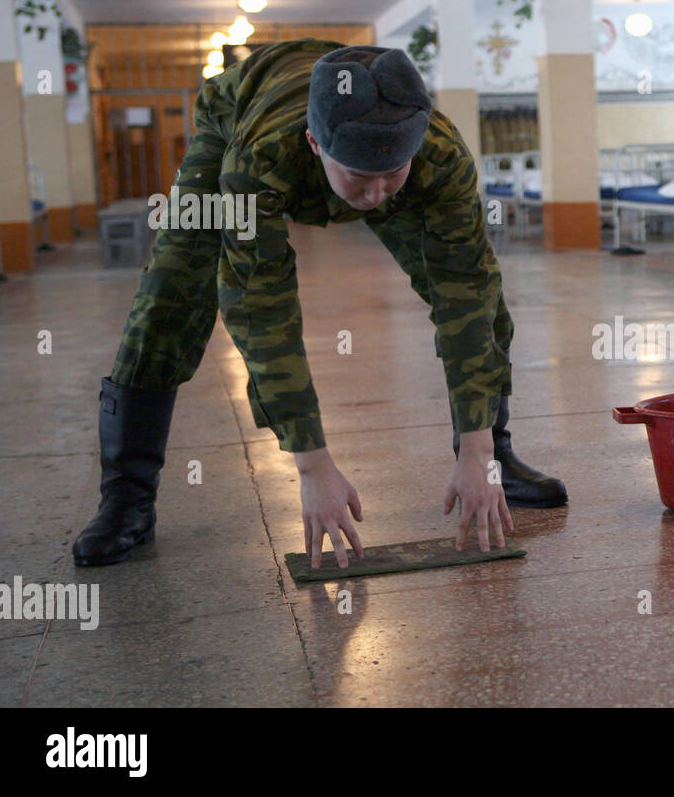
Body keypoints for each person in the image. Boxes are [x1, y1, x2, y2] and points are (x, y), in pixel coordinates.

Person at [74, 39, 567, 569]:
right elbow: (259, 302)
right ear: (314, 143)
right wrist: (312, 465)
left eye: (392, 175)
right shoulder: (257, 161)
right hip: (235, 119)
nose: (377, 195)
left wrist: (478, 453)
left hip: (357, 136)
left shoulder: (439, 153)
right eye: (359, 177)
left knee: (486, 299)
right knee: (168, 297)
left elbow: (465, 294)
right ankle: (127, 499)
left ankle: (497, 453)